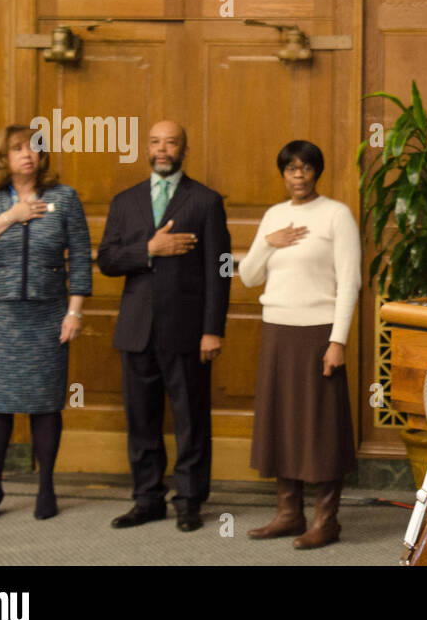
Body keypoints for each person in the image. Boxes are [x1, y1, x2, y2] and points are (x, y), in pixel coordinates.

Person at [0, 123, 92, 521]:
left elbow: (80, 256)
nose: (27, 155)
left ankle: (46, 485)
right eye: (17, 149)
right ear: (4, 157)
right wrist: (11, 216)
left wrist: (75, 311)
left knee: (46, 404)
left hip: (48, 314)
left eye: (34, 148)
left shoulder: (64, 198)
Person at [97, 120, 232, 533]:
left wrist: (213, 330)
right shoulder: (125, 201)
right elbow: (106, 260)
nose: (162, 149)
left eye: (170, 142)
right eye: (155, 142)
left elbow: (220, 270)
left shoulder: (205, 201)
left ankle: (189, 500)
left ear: (183, 150)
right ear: (146, 148)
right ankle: (147, 498)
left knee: (191, 418)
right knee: (141, 418)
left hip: (189, 331)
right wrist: (149, 250)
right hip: (136, 330)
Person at [238, 140, 361, 549]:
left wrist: (337, 341)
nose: (298, 175)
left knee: (320, 426)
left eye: (305, 168)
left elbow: (350, 283)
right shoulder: (274, 216)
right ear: (282, 173)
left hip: (318, 335)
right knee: (281, 422)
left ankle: (326, 521)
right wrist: (268, 242)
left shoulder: (336, 215)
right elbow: (249, 276)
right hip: (277, 333)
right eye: (290, 168)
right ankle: (289, 514)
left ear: (316, 172)